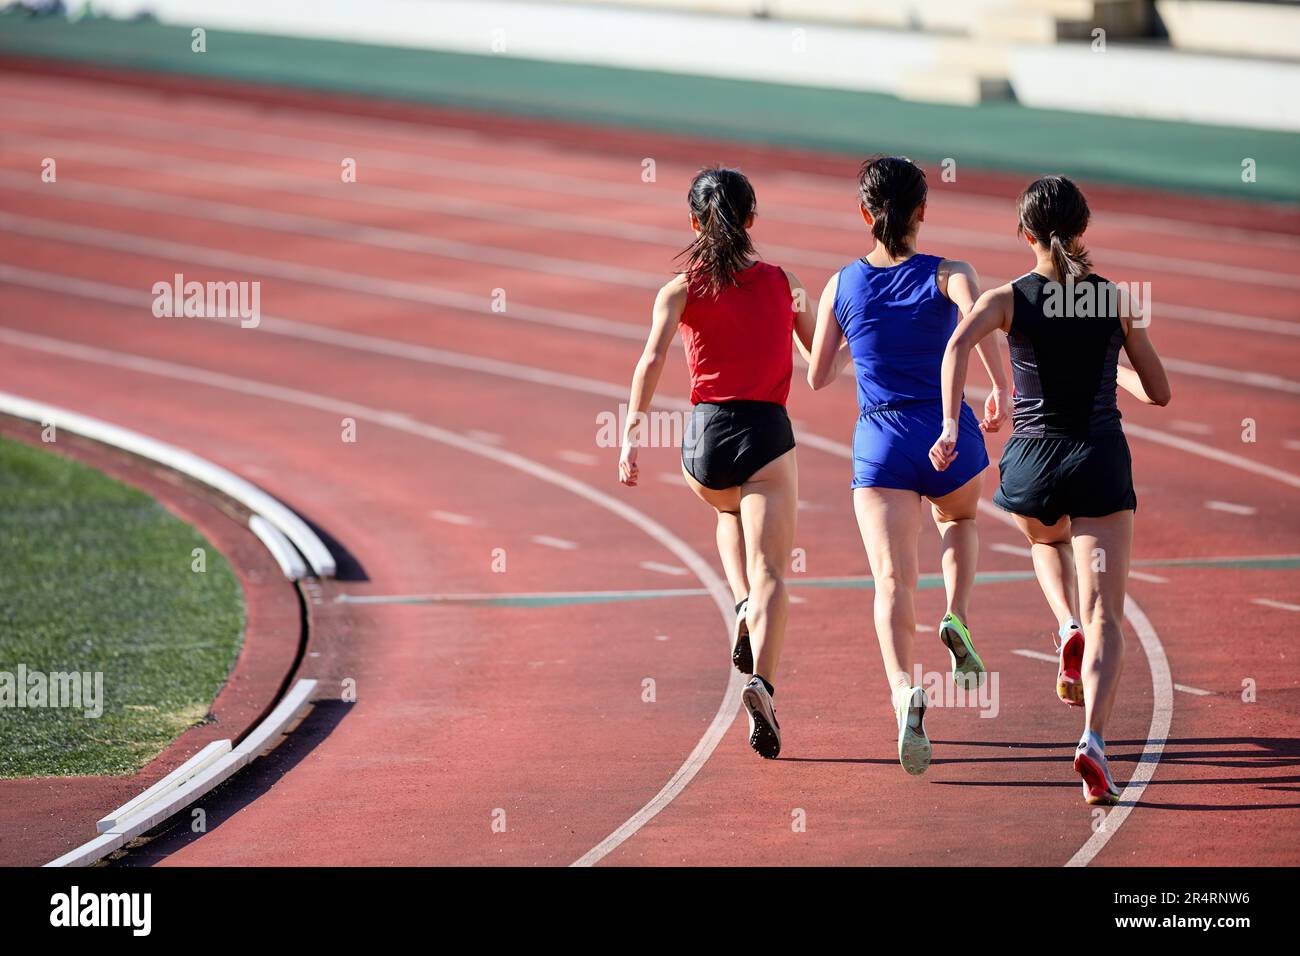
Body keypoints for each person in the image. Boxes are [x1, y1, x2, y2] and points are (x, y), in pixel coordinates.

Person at [931, 174, 1171, 804]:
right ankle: (1092, 739)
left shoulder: (1009, 298)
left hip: (1034, 464)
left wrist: (953, 422)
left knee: (1046, 540)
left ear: (1026, 233)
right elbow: (1158, 389)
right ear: (1084, 230)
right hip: (1098, 459)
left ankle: (1063, 621)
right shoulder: (1115, 299)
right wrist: (1110, 365)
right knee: (1109, 618)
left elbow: (956, 345)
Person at [807, 156, 1010, 776]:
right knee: (959, 522)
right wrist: (1000, 387)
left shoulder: (840, 285)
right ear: (924, 211)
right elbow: (983, 329)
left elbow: (817, 375)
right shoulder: (951, 273)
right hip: (947, 435)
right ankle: (958, 614)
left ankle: (904, 692)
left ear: (864, 215)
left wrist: (825, 336)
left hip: (882, 444)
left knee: (892, 581)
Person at [619, 167, 819, 759]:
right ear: (753, 219)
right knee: (775, 575)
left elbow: (651, 359)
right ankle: (763, 681)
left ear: (693, 222)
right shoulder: (785, 282)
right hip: (766, 434)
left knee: (727, 509)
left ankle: (739, 605)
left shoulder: (678, 289)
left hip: (706, 440)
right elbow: (822, 357)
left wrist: (631, 433)